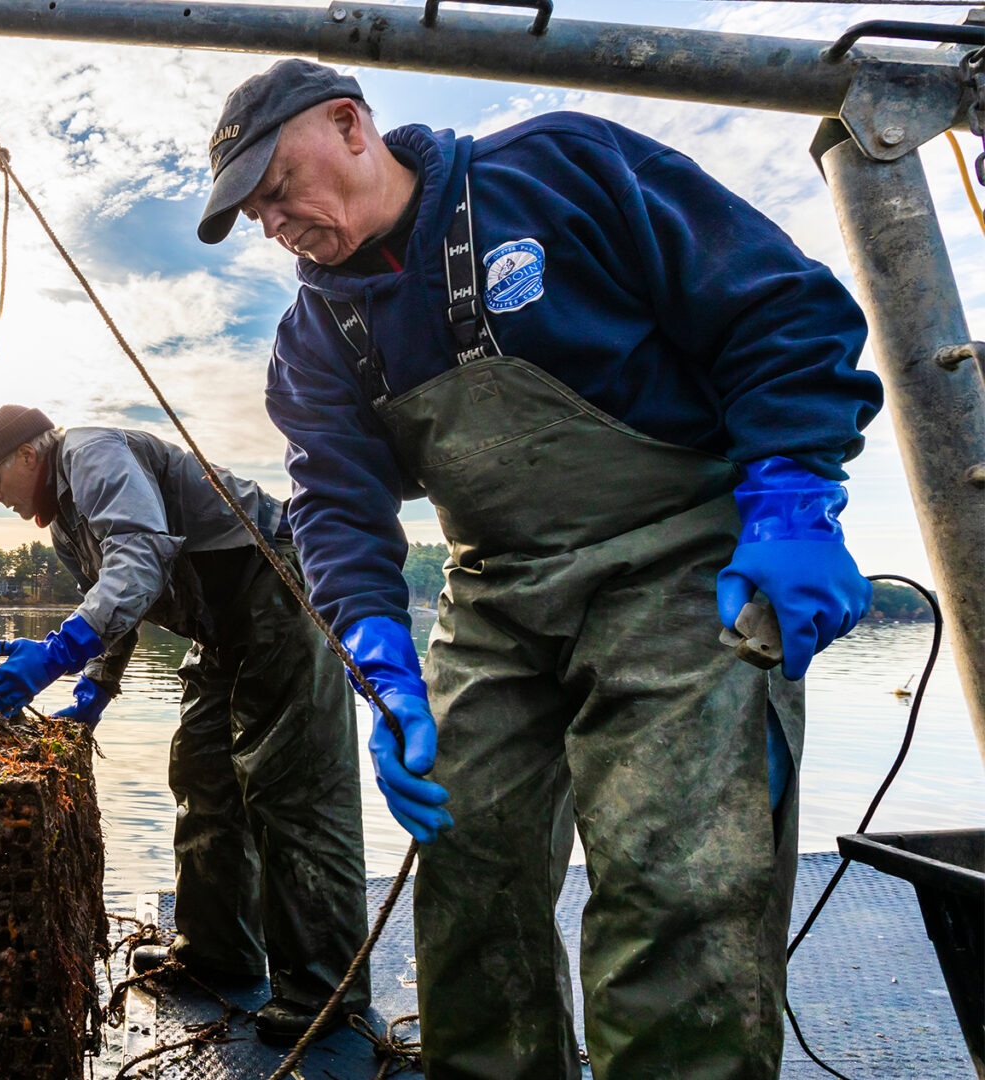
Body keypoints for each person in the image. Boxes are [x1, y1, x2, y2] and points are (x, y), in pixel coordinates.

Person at [197, 59, 883, 1078]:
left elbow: (779, 308)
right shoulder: (313, 341)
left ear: (349, 125)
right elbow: (337, 514)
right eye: (252, 211)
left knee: (674, 884)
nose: (272, 220)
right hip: (496, 592)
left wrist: (790, 499)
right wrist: (378, 658)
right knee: (469, 875)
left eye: (276, 185)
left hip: (679, 565)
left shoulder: (555, 170)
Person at [0, 404, 368, 1045]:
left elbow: (143, 556)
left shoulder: (90, 450)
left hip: (274, 581)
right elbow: (119, 602)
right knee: (202, 770)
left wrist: (55, 656)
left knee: (292, 786)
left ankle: (326, 989)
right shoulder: (66, 527)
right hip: (216, 619)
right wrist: (92, 690)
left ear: (26, 456)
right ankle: (219, 952)